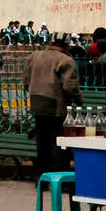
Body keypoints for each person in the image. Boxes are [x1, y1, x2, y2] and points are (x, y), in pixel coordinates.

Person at [21, 38, 81, 174]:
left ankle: (41, 178)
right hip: (56, 107)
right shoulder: (65, 60)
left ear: (51, 43)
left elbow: (26, 82)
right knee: (58, 142)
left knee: (42, 141)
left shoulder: (34, 57)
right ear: (66, 46)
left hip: (37, 103)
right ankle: (59, 177)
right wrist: (79, 100)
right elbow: (70, 86)